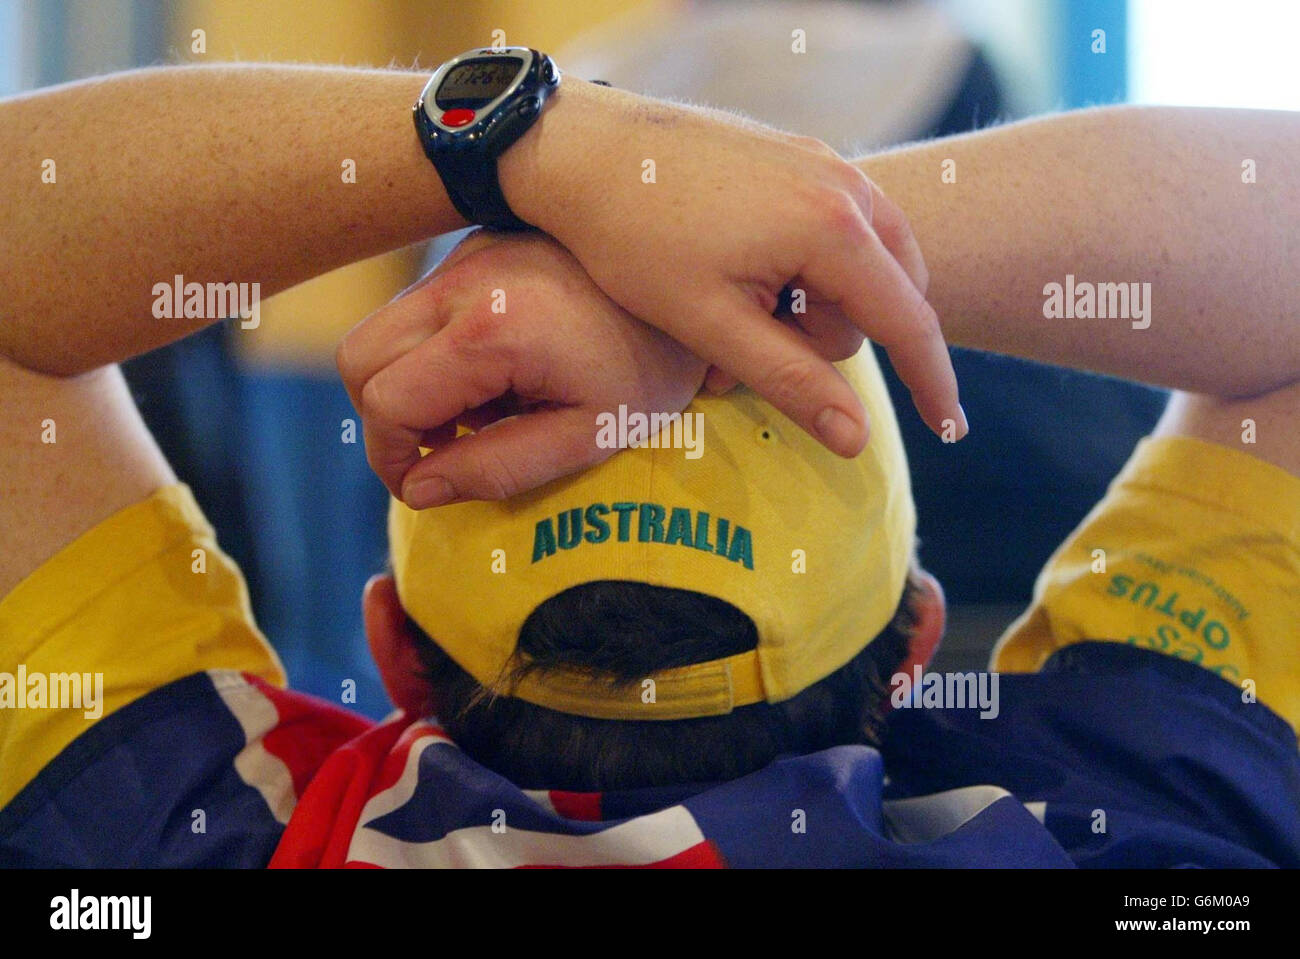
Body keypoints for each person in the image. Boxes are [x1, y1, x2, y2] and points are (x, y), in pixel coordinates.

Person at [2, 64, 1298, 864]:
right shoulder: (1117, 843)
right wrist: (808, 245)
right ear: (915, 647)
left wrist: (520, 140)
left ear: (391, 650)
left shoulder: (189, 837)